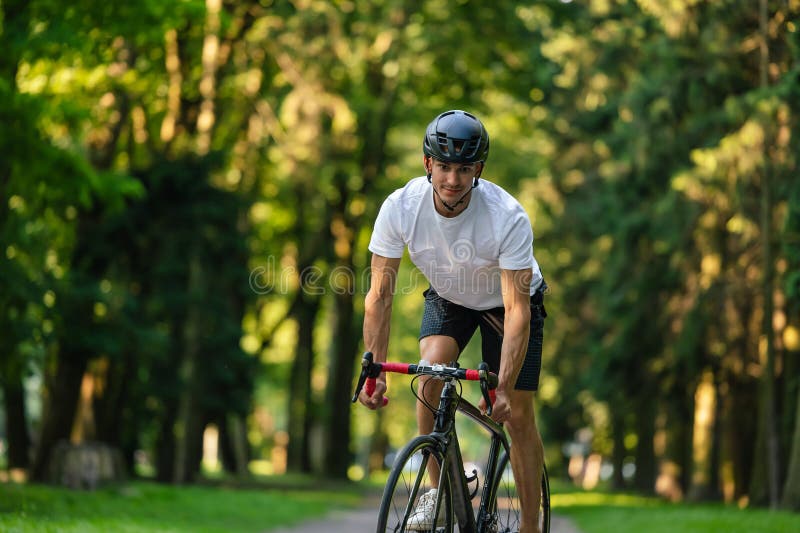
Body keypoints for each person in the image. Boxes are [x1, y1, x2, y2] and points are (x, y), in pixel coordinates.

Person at [358, 109, 547, 533]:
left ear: (478, 169)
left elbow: (518, 312)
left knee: (516, 414)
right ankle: (438, 494)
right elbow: (380, 295)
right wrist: (375, 368)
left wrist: (503, 385)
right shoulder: (400, 207)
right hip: (449, 295)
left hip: (508, 303)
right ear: (428, 164)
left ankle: (531, 526)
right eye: (443, 166)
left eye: (464, 169)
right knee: (429, 377)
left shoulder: (507, 216)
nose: (452, 180)